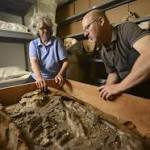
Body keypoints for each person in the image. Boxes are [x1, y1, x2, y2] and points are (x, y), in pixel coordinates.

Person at [82, 9, 150, 100]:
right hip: (132, 91)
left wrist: (119, 87)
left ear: (101, 21)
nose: (85, 34)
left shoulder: (126, 29)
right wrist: (106, 89)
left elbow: (148, 54)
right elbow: (113, 73)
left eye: (87, 27)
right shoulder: (103, 50)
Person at [27, 13, 69, 90]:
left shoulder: (57, 41)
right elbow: (34, 62)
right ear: (37, 30)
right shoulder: (33, 44)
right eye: (42, 28)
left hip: (54, 78)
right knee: (23, 91)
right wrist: (39, 77)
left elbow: (65, 62)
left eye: (48, 28)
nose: (45, 31)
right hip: (37, 76)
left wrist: (60, 74)